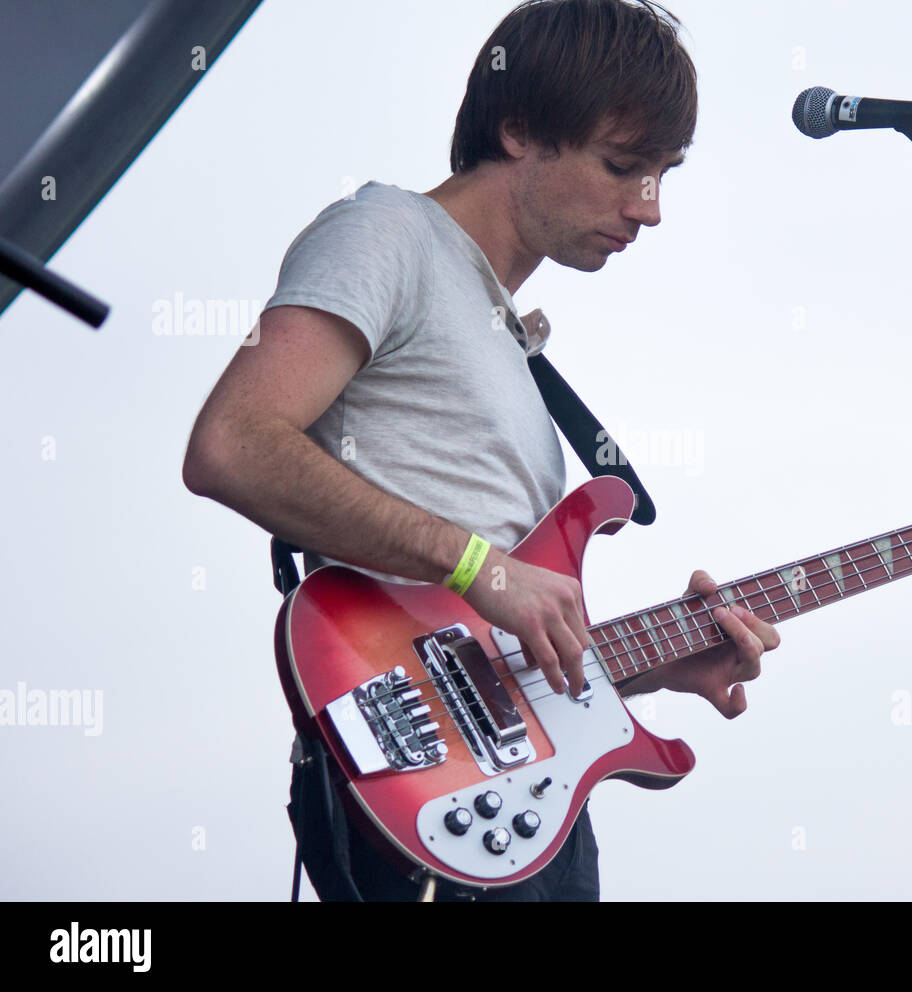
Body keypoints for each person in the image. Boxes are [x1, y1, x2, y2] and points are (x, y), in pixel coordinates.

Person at [182, 0, 779, 901]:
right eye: (624, 166)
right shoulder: (387, 233)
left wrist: (653, 663)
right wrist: (477, 565)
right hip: (418, 794)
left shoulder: (507, 340)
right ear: (519, 129)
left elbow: (487, 649)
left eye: (663, 174)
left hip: (520, 806)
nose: (648, 209)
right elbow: (231, 443)